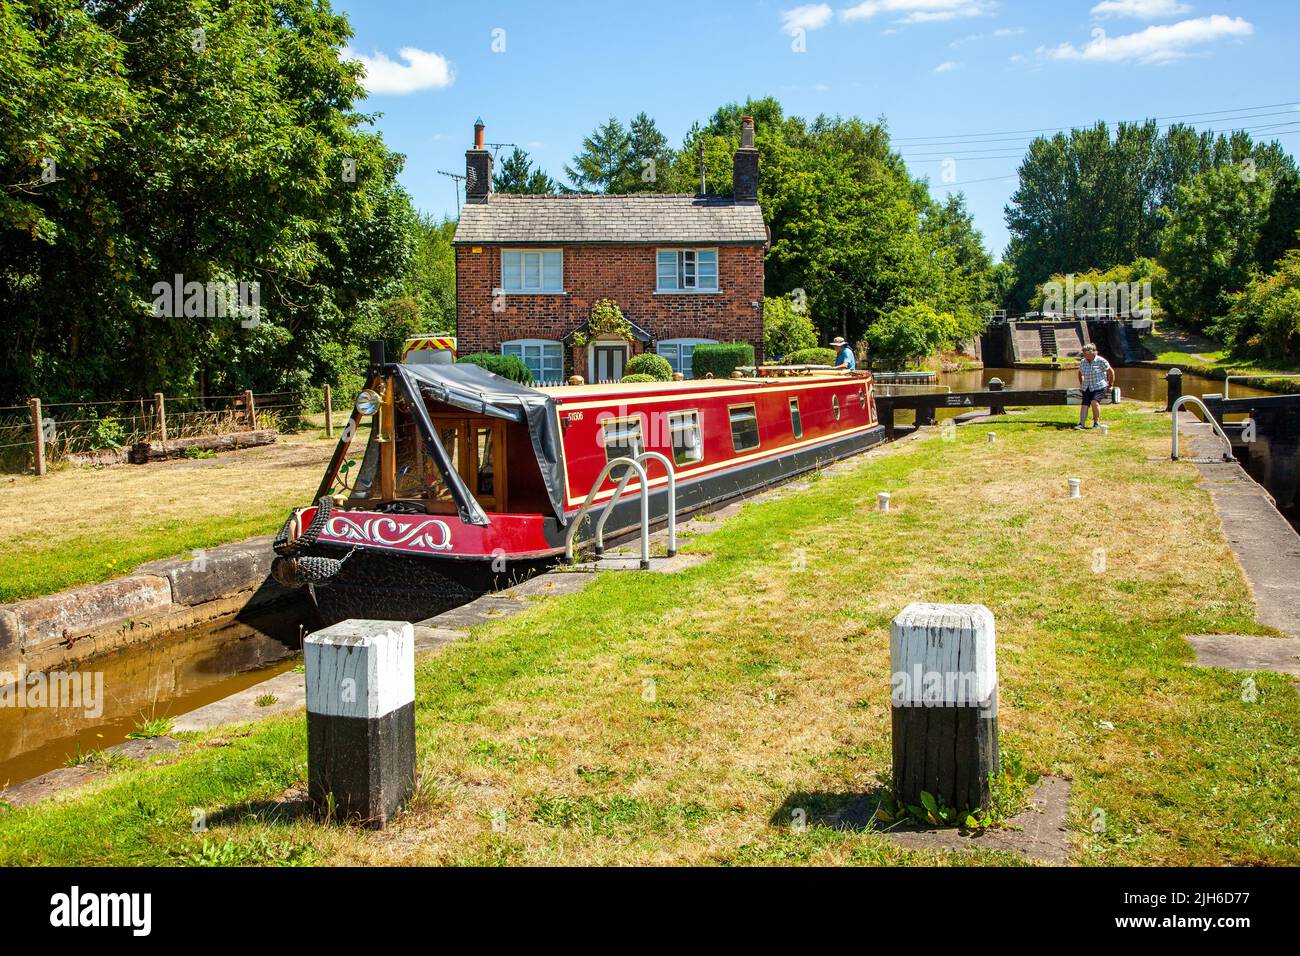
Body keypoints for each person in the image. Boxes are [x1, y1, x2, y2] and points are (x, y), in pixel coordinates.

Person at [1075, 344, 1115, 430]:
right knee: (1084, 405)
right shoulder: (1083, 361)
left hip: (1099, 386)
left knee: (1094, 402)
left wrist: (1110, 384)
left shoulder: (1101, 361)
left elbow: (1111, 372)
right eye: (1083, 353)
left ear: (1091, 352)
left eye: (1085, 353)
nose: (1084, 355)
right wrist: (1082, 384)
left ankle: (1096, 423)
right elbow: (1080, 373)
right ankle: (1081, 424)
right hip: (1087, 386)